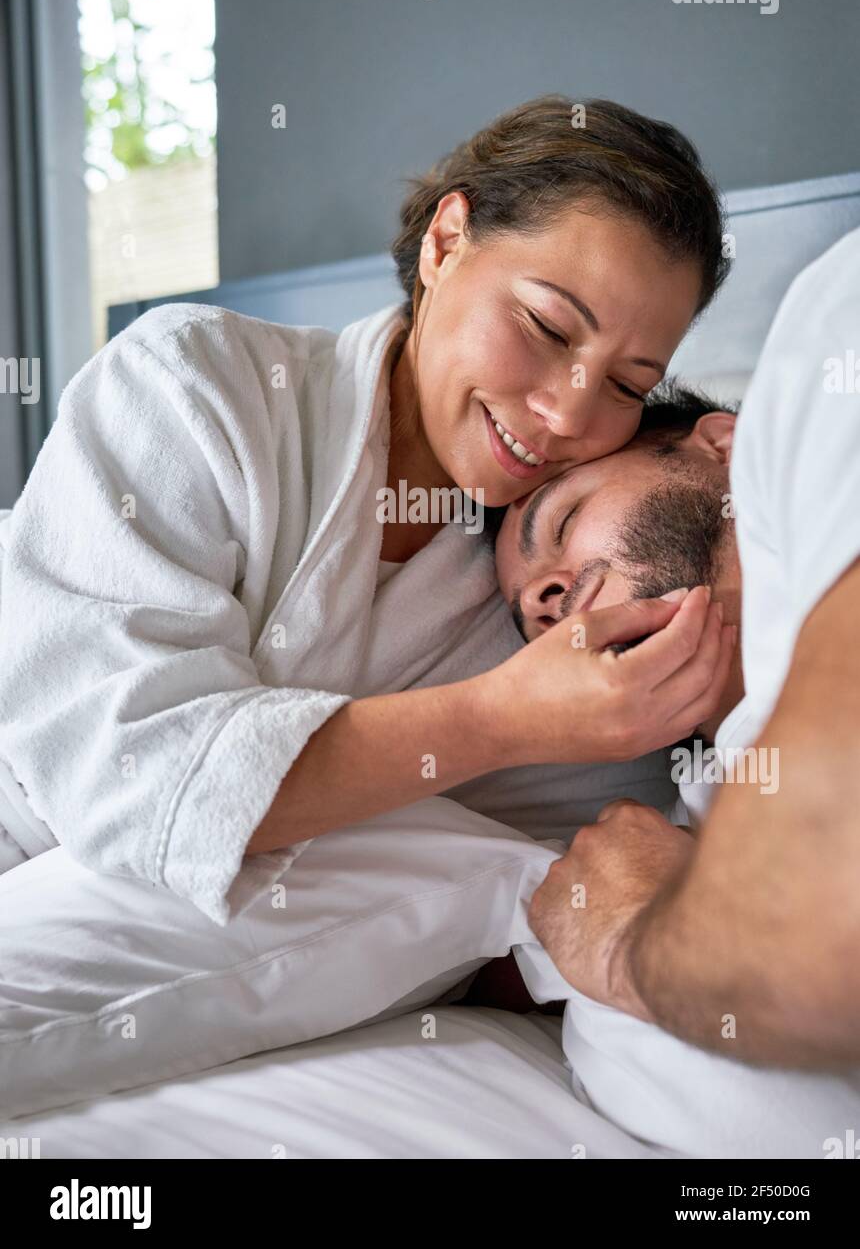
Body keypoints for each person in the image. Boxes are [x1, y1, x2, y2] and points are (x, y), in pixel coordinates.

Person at [0, 95, 732, 924]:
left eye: (627, 385)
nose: (568, 415)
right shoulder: (196, 386)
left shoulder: (544, 602)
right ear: (447, 243)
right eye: (547, 328)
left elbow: (533, 898)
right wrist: (501, 719)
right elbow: (125, 771)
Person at [496, 225, 860, 1072]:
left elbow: (818, 937)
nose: (546, 599)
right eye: (529, 615)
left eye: (563, 521)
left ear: (720, 444)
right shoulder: (689, 820)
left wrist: (627, 941)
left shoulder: (820, 377)